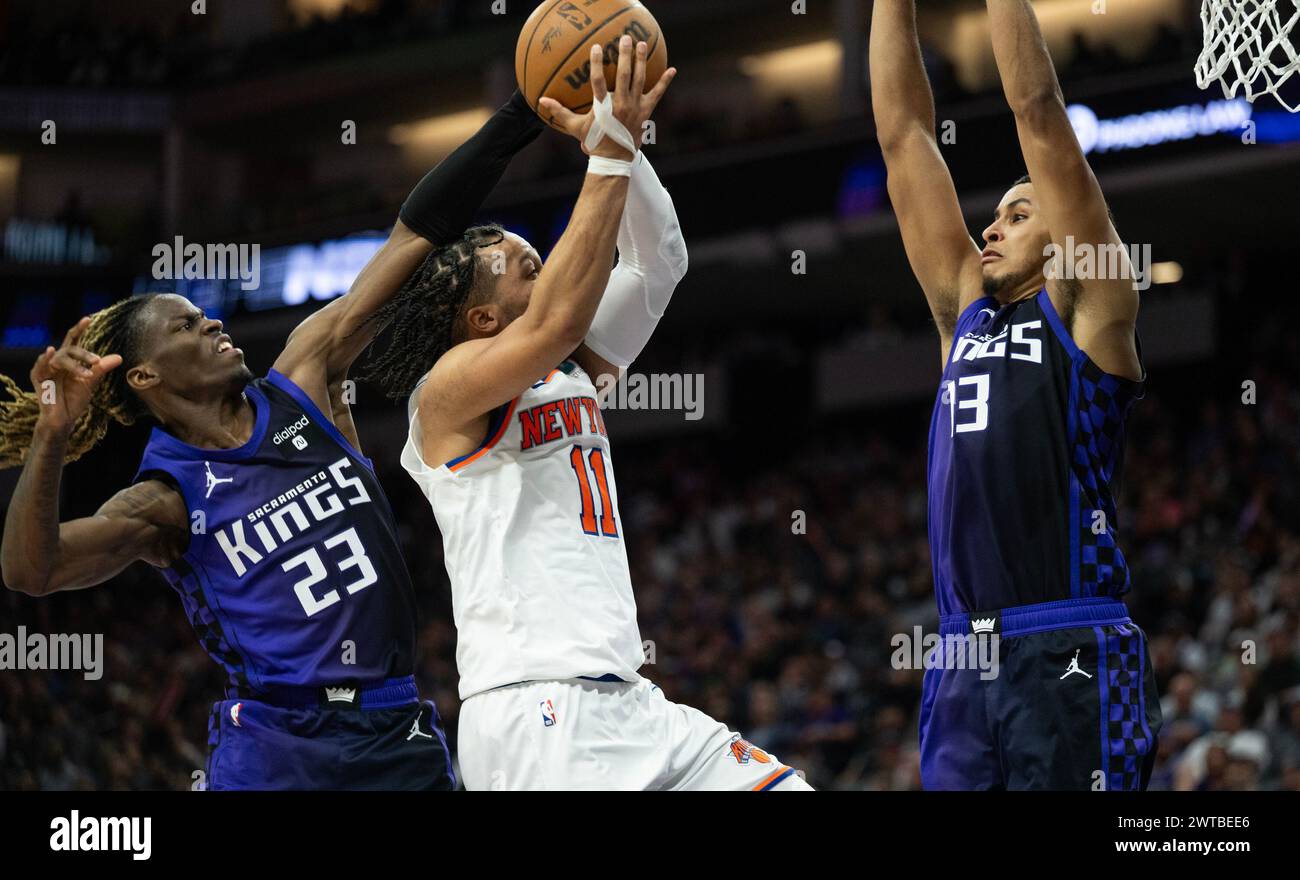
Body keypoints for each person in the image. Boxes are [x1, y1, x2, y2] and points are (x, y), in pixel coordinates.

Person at [0, 85, 549, 790]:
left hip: (395, 728)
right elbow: (29, 571)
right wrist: (50, 438)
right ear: (143, 376)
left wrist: (519, 116)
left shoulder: (304, 377)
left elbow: (414, 240)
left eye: (207, 314)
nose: (213, 324)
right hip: (280, 746)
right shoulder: (163, 500)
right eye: (186, 325)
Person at [373, 36, 811, 790]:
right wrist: (604, 153)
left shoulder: (572, 370)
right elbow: (555, 323)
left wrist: (621, 147)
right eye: (526, 269)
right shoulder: (443, 397)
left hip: (631, 699)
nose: (546, 273)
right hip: (534, 708)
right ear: (479, 319)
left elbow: (657, 261)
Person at [868, 0, 1162, 790]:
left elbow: (1036, 112)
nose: (992, 227)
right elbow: (904, 139)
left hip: (1067, 638)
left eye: (1019, 213)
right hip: (964, 652)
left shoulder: (1090, 304)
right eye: (993, 213)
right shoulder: (963, 310)